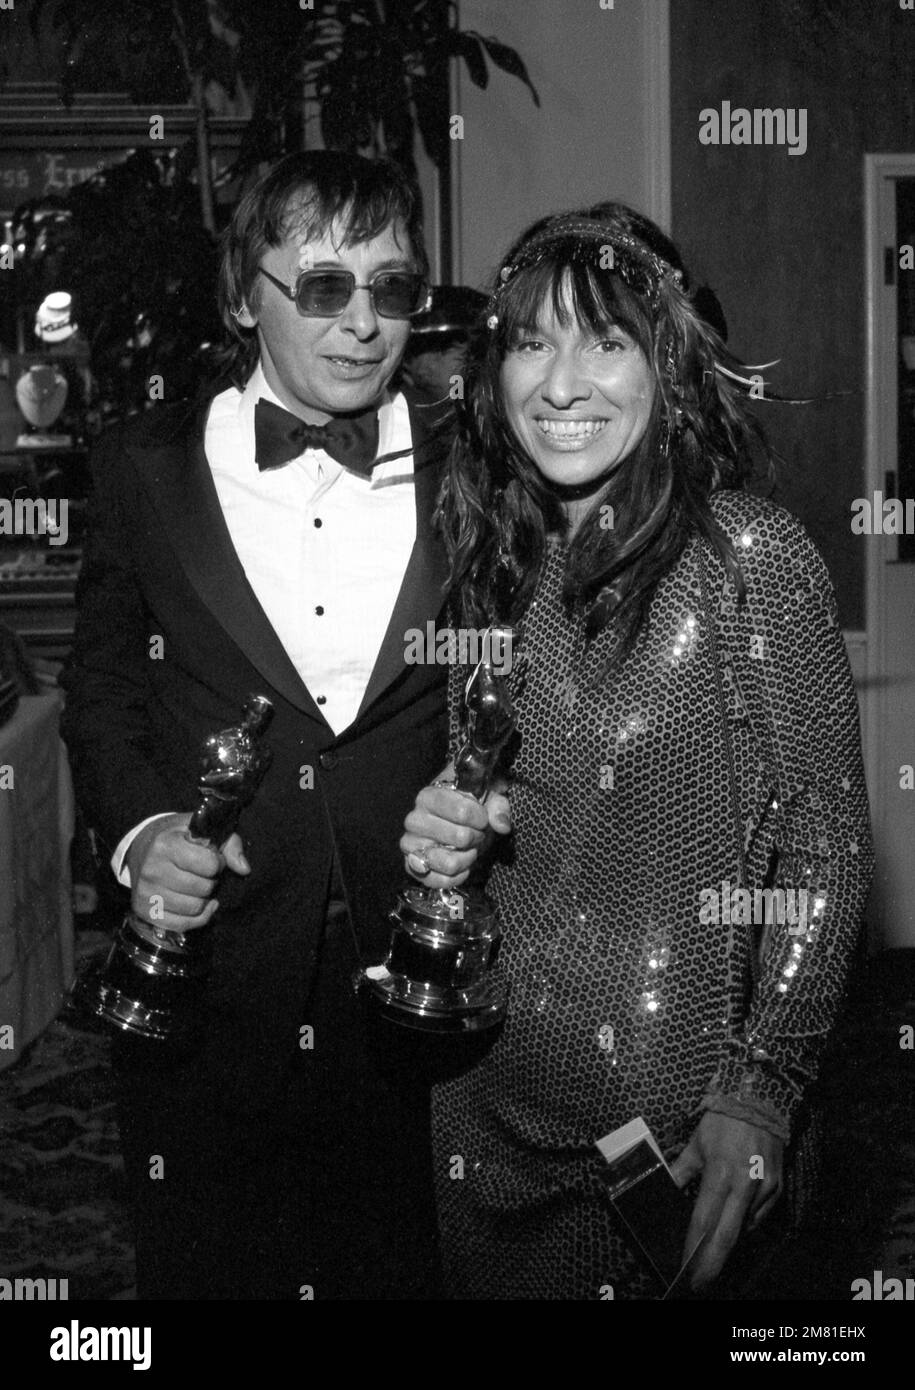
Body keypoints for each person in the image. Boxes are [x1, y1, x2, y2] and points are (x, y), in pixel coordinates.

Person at [400, 203, 874, 1299]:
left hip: (663, 1142)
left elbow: (827, 845)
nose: (561, 384)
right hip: (477, 1105)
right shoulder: (490, 563)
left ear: (667, 364)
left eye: (605, 340)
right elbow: (507, 807)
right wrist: (446, 829)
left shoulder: (747, 555)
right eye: (532, 341)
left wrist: (760, 1092)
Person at [60, 150, 508, 1300]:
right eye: (322, 287)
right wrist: (142, 830)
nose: (364, 324)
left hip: (415, 982)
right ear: (238, 292)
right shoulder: (140, 468)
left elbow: (528, 677)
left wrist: (492, 805)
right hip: (210, 986)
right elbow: (103, 691)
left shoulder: (478, 464)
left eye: (394, 289)